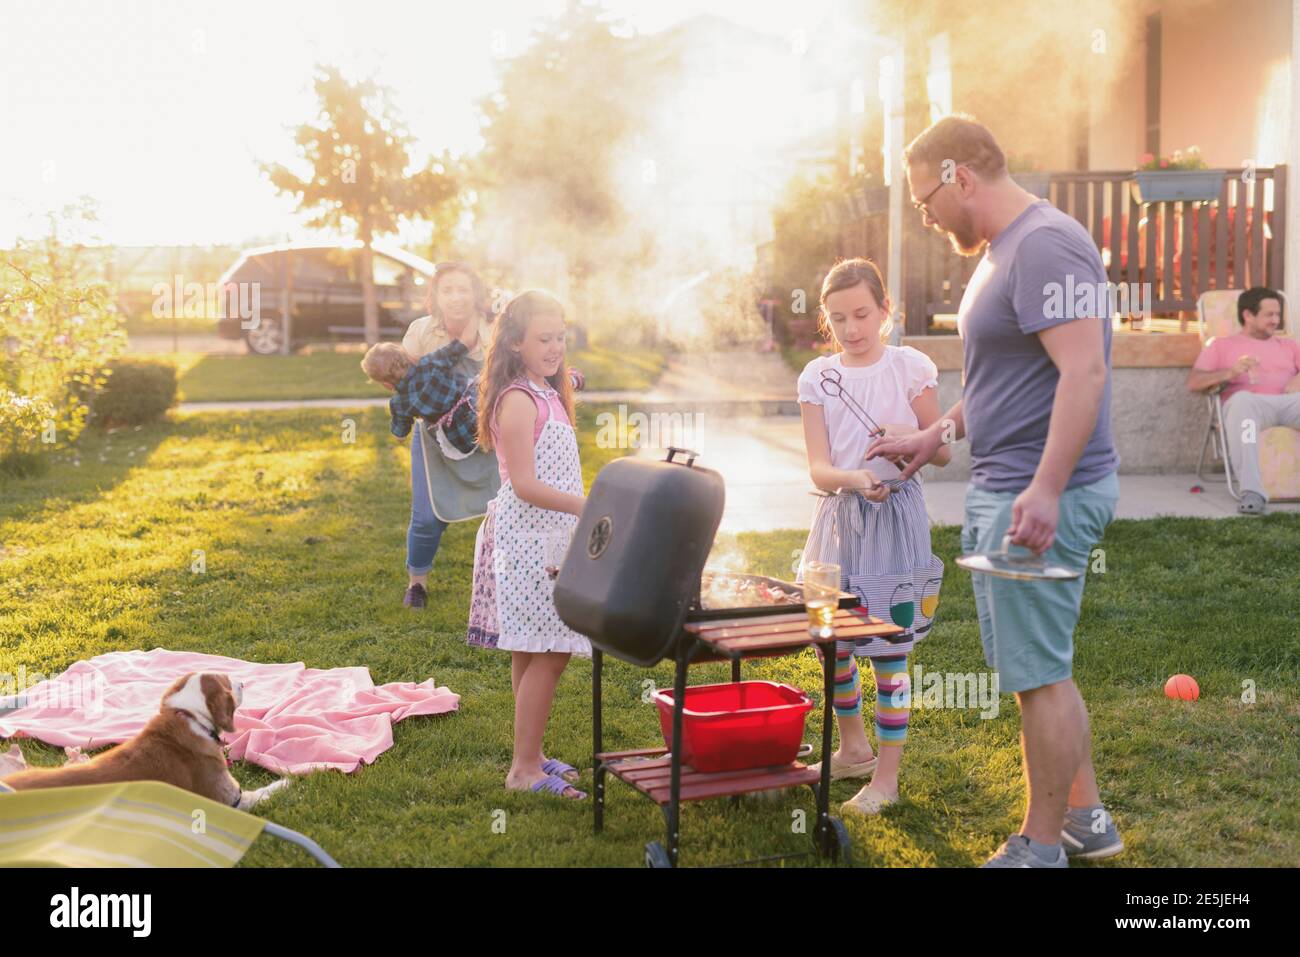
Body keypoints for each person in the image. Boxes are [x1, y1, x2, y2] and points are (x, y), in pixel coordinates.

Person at [869, 114, 1122, 867]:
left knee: (1036, 675)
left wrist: (1045, 489)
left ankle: (1040, 846)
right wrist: (936, 431)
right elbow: (1005, 380)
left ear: (960, 177)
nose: (924, 216)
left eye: (924, 200)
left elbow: (1085, 372)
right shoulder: (1007, 251)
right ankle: (1085, 819)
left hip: (1037, 492)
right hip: (1008, 484)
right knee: (1041, 664)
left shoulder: (1044, 244)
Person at [796, 257, 948, 816]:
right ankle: (853, 747)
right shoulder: (817, 377)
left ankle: (887, 777)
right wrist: (856, 478)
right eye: (838, 319)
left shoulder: (910, 367)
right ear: (825, 320)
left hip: (896, 519)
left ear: (886, 311)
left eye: (862, 314)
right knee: (829, 637)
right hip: (840, 516)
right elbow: (818, 468)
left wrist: (910, 434)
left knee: (888, 646)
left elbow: (945, 447)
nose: (852, 328)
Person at [465, 290, 590, 800]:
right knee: (552, 650)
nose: (555, 347)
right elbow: (523, 484)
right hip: (523, 540)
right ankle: (522, 770)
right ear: (516, 343)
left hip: (549, 538)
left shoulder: (549, 393)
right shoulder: (518, 399)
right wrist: (587, 505)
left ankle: (531, 755)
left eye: (560, 337)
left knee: (531, 646)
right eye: (544, 338)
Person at [396, 262, 497, 609]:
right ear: (435, 296)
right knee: (426, 516)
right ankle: (417, 584)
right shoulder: (421, 332)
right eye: (447, 290)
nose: (456, 298)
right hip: (434, 440)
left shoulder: (494, 330)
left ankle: (505, 579)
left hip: (487, 435)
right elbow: (405, 384)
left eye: (464, 289)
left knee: (504, 509)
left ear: (476, 294)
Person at [1187, 286, 1300, 514]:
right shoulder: (1220, 345)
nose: (1275, 320)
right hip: (1251, 410)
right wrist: (1230, 372)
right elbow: (1194, 382)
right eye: (1269, 315)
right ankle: (1252, 492)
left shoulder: (1289, 345)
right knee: (1242, 402)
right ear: (1248, 315)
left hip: (1289, 404)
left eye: (1278, 314)